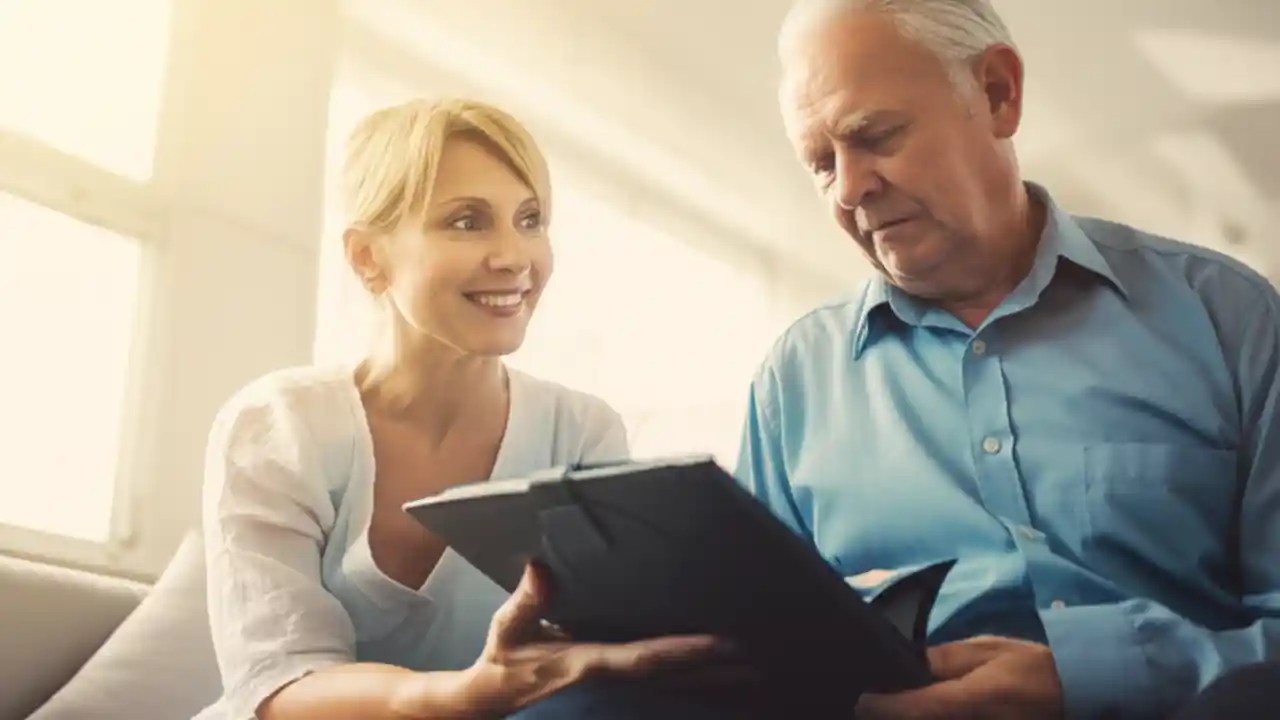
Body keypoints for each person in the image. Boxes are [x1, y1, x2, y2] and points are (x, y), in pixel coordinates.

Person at [735, 1, 1280, 718]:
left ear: (997, 93)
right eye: (819, 162)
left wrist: (1098, 681)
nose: (847, 187)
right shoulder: (793, 384)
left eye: (875, 136)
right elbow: (750, 661)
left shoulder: (1229, 318)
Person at [194, 98, 736, 720]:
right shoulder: (279, 425)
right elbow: (276, 686)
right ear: (368, 257)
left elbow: (598, 658)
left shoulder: (581, 433)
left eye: (530, 220)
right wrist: (466, 696)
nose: (514, 257)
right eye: (466, 222)